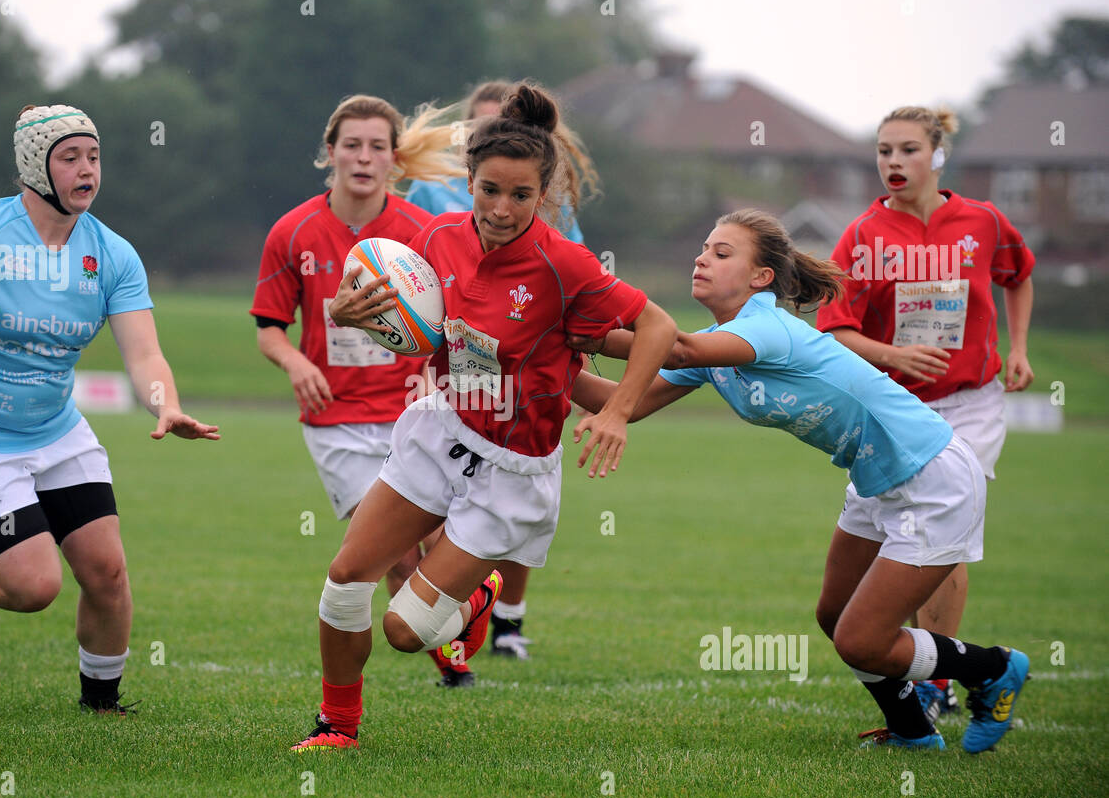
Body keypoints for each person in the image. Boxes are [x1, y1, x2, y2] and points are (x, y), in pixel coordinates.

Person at [291, 82, 677, 750]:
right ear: (468, 180)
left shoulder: (565, 264)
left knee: (405, 632)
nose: (501, 208)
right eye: (489, 190)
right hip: (443, 431)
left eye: (520, 195)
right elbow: (414, 323)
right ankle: (337, 727)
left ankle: (481, 593)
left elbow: (658, 325)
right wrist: (347, 313)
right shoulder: (438, 237)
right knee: (344, 583)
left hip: (513, 471)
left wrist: (617, 412)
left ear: (543, 194)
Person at [572, 209, 1029, 752]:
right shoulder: (716, 344)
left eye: (721, 253)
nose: (702, 258)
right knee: (835, 616)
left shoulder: (766, 327)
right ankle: (912, 731)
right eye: (704, 248)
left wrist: (576, 329)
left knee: (861, 640)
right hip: (876, 480)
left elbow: (673, 346)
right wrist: (548, 360)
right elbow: (627, 401)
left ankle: (994, 668)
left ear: (761, 277)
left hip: (931, 476)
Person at [0, 104, 219, 714]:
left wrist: (167, 404)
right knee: (34, 588)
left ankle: (101, 705)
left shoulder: (112, 254)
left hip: (55, 431)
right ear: (34, 166)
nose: (87, 170)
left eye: (94, 157)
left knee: (106, 571)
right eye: (70, 158)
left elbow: (144, 353)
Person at [253, 94, 497, 689]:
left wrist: (436, 372)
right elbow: (268, 328)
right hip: (335, 419)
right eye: (352, 145)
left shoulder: (420, 232)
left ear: (394, 158)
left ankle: (465, 613)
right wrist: (295, 363)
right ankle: (453, 650)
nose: (364, 157)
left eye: (377, 147)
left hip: (413, 412)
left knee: (435, 541)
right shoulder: (292, 231)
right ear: (330, 152)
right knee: (392, 550)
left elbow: (455, 319)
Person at [816, 106, 1035, 722]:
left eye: (908, 149)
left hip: (970, 404)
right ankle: (936, 668)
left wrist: (1019, 348)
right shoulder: (862, 236)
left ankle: (936, 686)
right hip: (895, 411)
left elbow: (1018, 276)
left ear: (938, 155)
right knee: (873, 565)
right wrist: (893, 355)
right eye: (884, 150)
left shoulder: (983, 221)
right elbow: (834, 329)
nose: (893, 161)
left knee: (943, 533)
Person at [405, 80, 602, 661]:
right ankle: (461, 598)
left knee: (510, 487)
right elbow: (420, 273)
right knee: (445, 502)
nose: (500, 206)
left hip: (525, 365)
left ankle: (506, 619)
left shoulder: (551, 206)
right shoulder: (435, 195)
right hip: (456, 364)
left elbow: (574, 279)